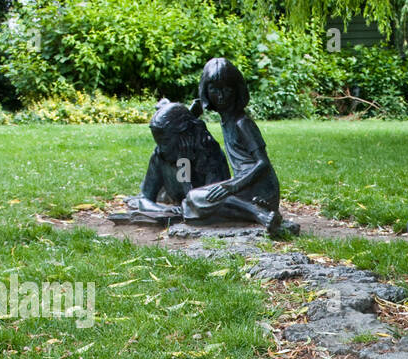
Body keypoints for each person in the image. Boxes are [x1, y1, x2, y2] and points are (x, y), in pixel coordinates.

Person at [183, 57, 295, 235]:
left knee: (193, 199)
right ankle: (253, 211)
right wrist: (190, 117)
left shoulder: (242, 123)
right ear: (205, 90)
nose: (220, 96)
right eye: (214, 89)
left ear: (237, 90)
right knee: (190, 208)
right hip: (243, 188)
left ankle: (258, 212)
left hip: (259, 188)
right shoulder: (227, 120)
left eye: (226, 89)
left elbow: (263, 163)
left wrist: (232, 186)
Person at [112, 99, 230, 225]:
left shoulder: (209, 154)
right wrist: (165, 210)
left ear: (184, 135)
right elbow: (144, 199)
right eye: (158, 142)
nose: (161, 148)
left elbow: (200, 204)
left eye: (166, 141)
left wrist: (183, 164)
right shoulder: (160, 155)